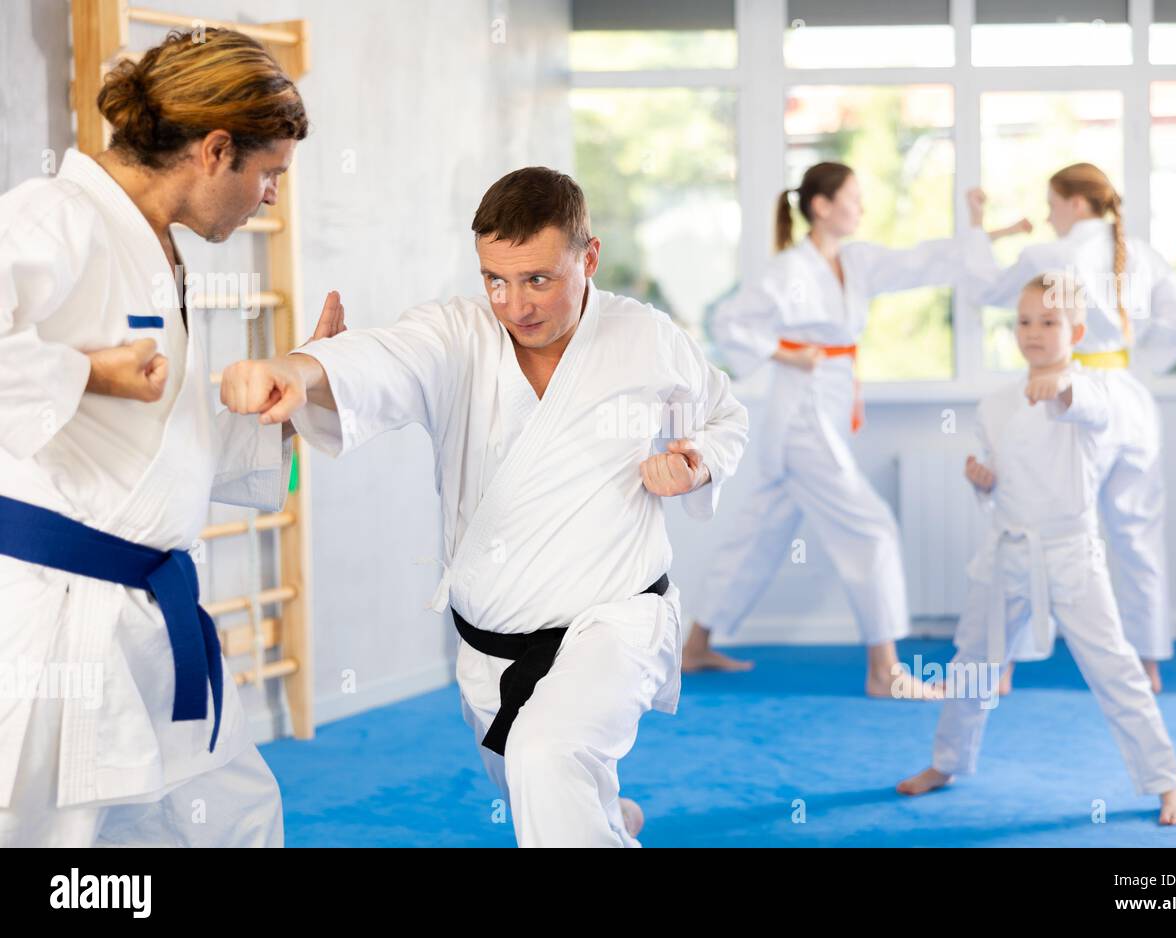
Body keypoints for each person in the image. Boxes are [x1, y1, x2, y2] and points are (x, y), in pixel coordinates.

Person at [219, 166, 749, 847]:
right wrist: (300, 370)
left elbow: (724, 414)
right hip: (490, 648)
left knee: (546, 757)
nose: (515, 304)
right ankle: (611, 819)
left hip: (617, 621)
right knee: (541, 781)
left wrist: (696, 461)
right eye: (495, 279)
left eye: (538, 279)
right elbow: (386, 359)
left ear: (588, 257)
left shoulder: (645, 338)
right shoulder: (457, 334)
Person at [0, 28, 320, 846]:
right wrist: (88, 372)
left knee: (237, 822)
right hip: (61, 629)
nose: (271, 199)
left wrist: (294, 391)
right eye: (269, 175)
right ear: (216, 150)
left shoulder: (158, 246)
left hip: (156, 617)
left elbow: (160, 437)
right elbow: (101, 384)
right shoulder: (56, 216)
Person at [684, 161, 1025, 699]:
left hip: (828, 406)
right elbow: (731, 323)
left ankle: (695, 646)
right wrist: (787, 353)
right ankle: (884, 670)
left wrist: (984, 230)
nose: (862, 207)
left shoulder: (856, 262)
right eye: (853, 197)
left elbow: (923, 260)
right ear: (821, 206)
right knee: (872, 529)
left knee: (760, 534)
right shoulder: (789, 270)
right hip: (803, 416)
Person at [895, 273, 1176, 826]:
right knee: (971, 665)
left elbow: (1092, 412)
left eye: (1049, 322)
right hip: (1008, 548)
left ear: (1077, 331)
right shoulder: (995, 403)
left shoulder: (1096, 391)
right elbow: (998, 484)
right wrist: (982, 483)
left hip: (1071, 555)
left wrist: (1062, 390)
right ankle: (946, 763)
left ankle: (1166, 783)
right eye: (1024, 322)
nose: (1033, 333)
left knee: (1115, 667)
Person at [970, 163, 1176, 694]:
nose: (1049, 218)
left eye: (1052, 206)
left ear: (1076, 203)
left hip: (1071, 395)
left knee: (1033, 520)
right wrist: (1139, 361)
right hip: (1129, 394)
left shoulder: (1048, 257)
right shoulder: (1140, 254)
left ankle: (1001, 662)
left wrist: (977, 226)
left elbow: (984, 290)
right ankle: (1146, 663)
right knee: (1137, 534)